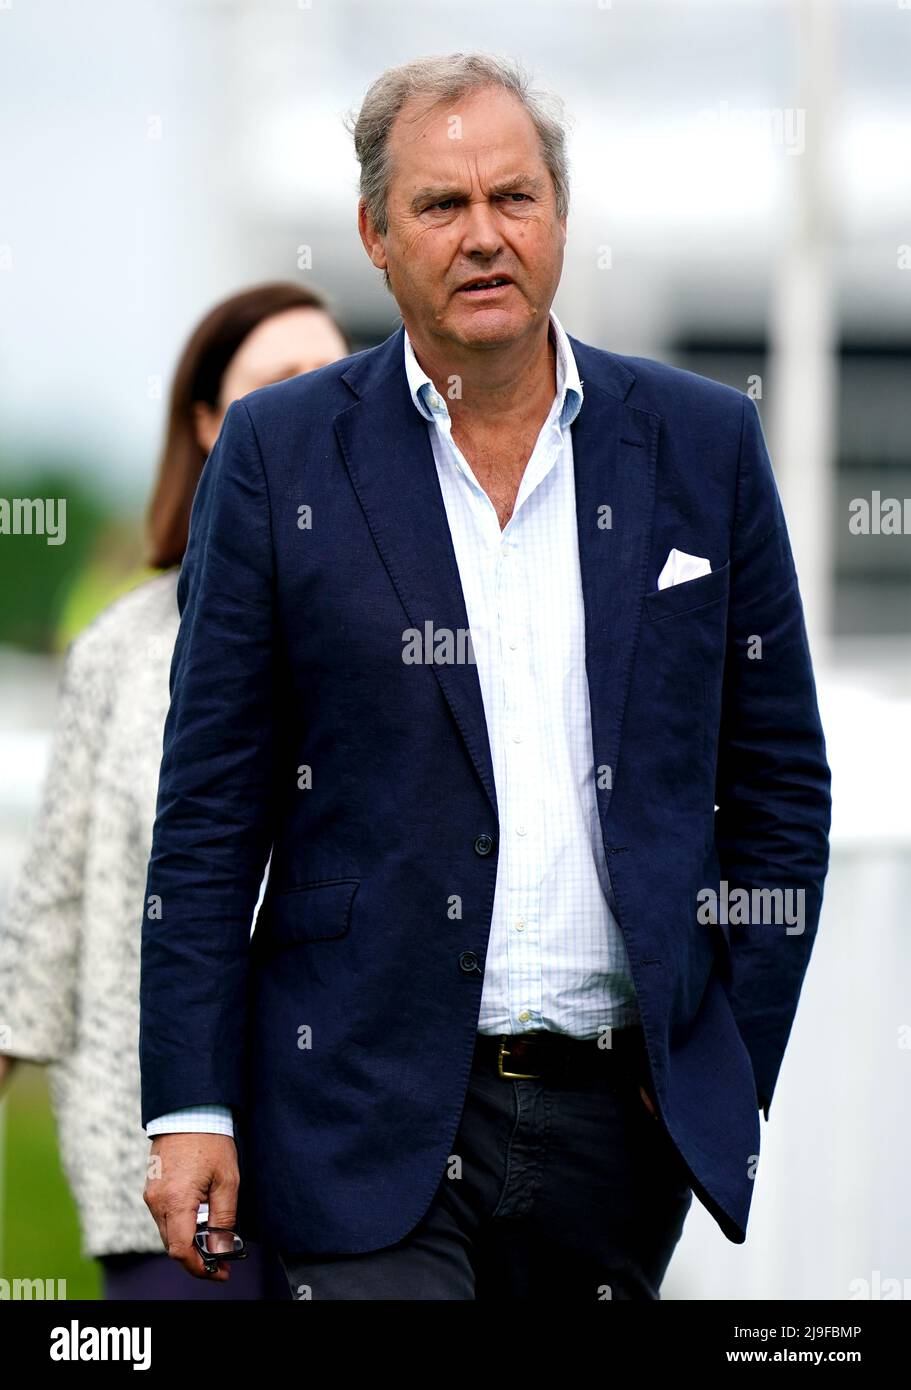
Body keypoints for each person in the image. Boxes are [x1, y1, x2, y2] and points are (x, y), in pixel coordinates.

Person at [140, 54, 832, 1301]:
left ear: (558, 216)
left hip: (617, 1131)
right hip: (358, 1114)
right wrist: (189, 1100)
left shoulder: (702, 445)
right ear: (373, 233)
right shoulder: (278, 455)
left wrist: (721, 1050)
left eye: (512, 198)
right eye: (439, 206)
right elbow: (208, 810)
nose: (482, 237)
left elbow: (779, 789)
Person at [0, 281, 350, 1299]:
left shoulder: (409, 637)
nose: (311, 404)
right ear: (208, 424)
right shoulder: (120, 648)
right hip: (159, 1179)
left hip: (364, 1176)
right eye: (276, 383)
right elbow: (55, 896)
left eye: (333, 381)